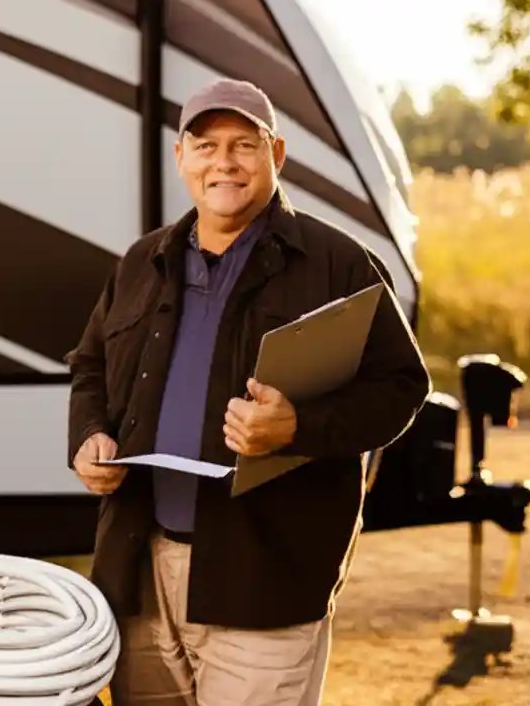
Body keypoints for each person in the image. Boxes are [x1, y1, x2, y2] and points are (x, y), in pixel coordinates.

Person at [64, 78, 431, 705]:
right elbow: (90, 365)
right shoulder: (140, 262)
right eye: (205, 146)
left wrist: (299, 427)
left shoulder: (336, 263)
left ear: (276, 155)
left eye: (244, 145)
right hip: (139, 573)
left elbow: (401, 387)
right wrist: (88, 435)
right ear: (181, 157)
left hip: (264, 576)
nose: (224, 163)